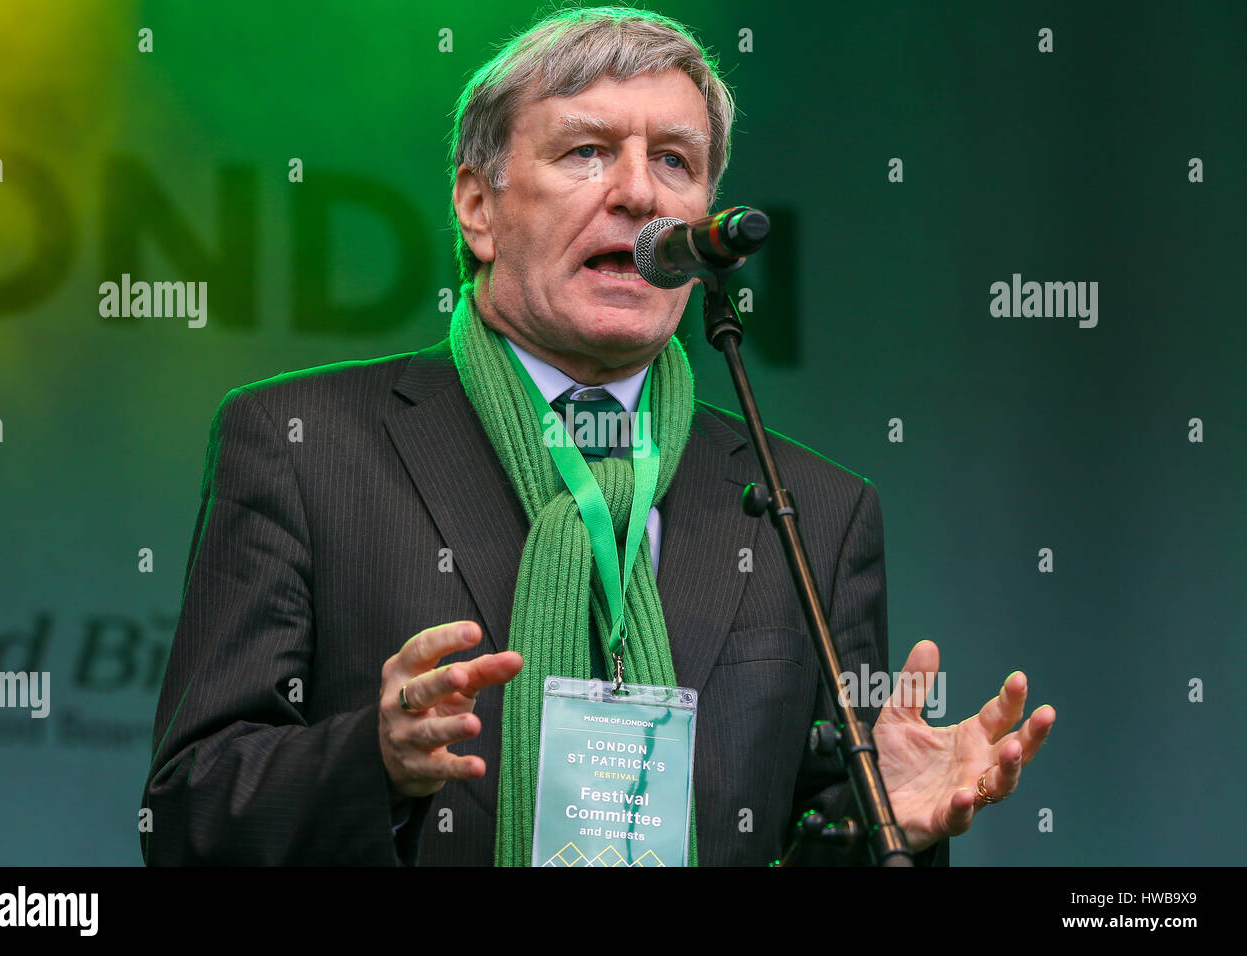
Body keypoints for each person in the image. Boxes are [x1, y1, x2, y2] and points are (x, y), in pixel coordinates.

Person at [141, 7, 1055, 866]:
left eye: (674, 161)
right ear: (477, 207)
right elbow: (186, 815)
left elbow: (816, 835)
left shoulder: (815, 509)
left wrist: (877, 820)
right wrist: (370, 761)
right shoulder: (303, 445)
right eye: (585, 151)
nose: (637, 192)